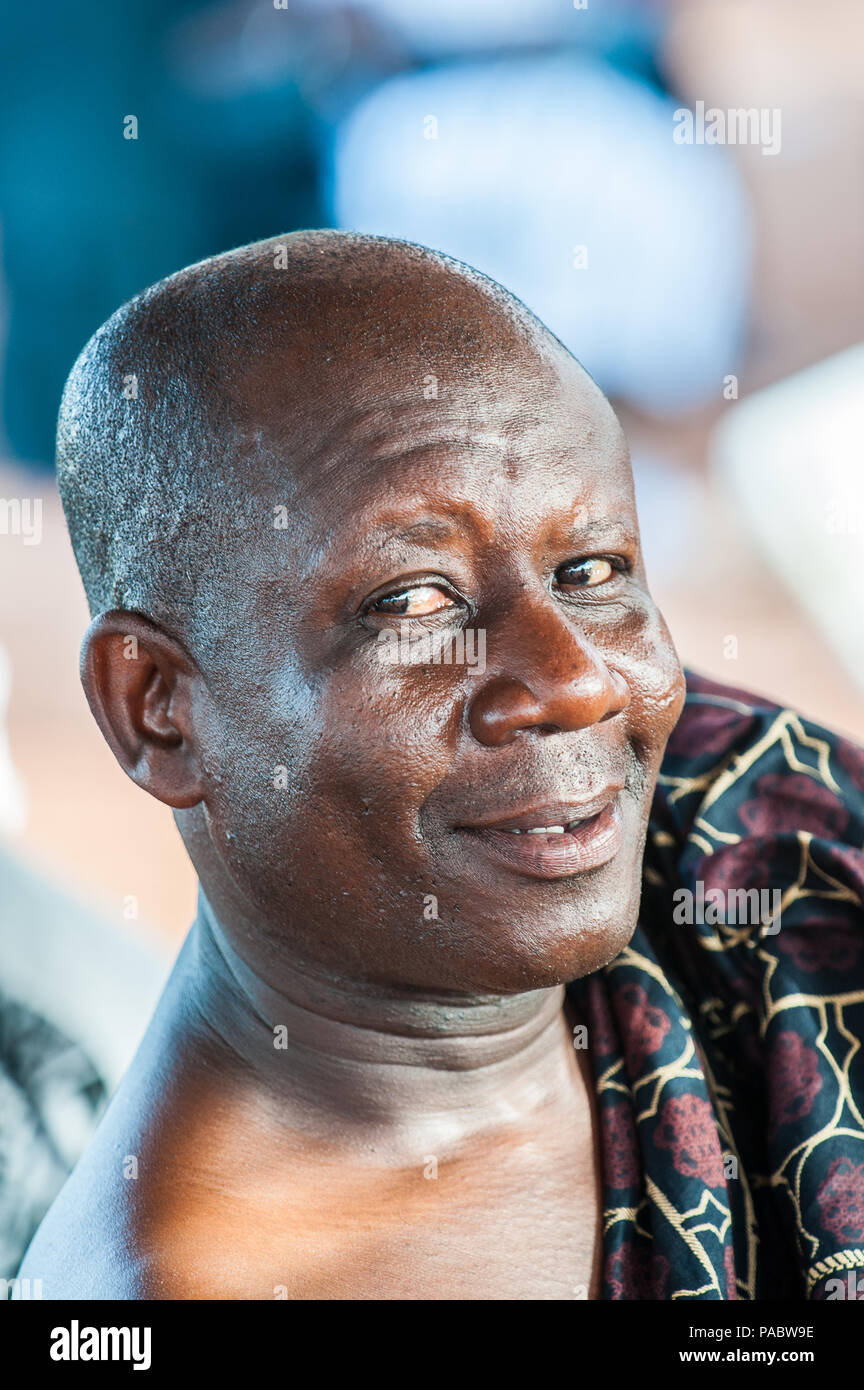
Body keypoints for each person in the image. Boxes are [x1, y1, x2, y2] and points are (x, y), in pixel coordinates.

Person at [18, 232, 864, 1300]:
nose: (576, 683)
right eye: (415, 601)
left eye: (592, 569)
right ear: (161, 710)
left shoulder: (746, 829)